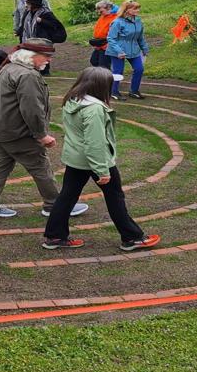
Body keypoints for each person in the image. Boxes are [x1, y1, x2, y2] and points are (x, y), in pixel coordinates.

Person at [41, 67, 160, 253]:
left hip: (76, 158)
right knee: (115, 197)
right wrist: (102, 170)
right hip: (95, 160)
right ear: (101, 87)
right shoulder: (94, 109)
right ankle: (132, 237)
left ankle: (55, 235)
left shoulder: (72, 99)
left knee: (67, 196)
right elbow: (95, 142)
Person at [0, 39, 88, 220]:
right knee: (40, 166)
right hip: (17, 133)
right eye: (46, 56)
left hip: (2, 129)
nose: (49, 60)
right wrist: (41, 135)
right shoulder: (27, 75)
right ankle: (55, 205)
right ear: (31, 56)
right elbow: (31, 108)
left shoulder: (7, 68)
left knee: (0, 167)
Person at [105, 0, 148, 99]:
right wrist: (119, 51)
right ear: (127, 10)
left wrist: (144, 48)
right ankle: (114, 92)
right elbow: (111, 38)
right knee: (118, 71)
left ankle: (134, 91)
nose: (138, 10)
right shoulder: (117, 22)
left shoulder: (138, 21)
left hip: (134, 50)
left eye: (138, 8)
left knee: (139, 69)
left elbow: (140, 37)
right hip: (117, 51)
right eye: (135, 8)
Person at [89, 0, 118, 69]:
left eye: (101, 11)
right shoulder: (103, 16)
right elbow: (98, 29)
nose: (99, 12)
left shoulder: (116, 18)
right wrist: (96, 42)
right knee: (94, 61)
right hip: (99, 44)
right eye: (98, 10)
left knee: (103, 65)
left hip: (107, 45)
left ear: (108, 8)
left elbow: (118, 34)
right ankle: (102, 76)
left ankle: (105, 78)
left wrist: (109, 44)